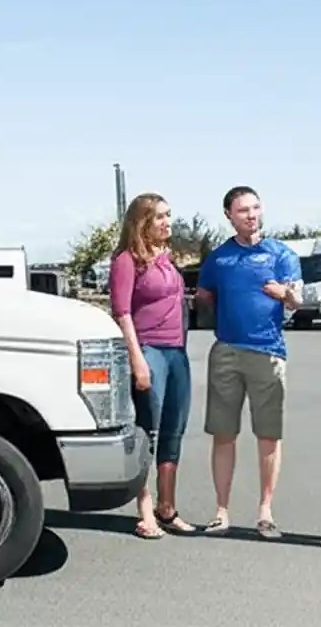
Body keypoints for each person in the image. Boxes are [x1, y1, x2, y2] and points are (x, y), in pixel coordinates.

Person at [193, 186, 302, 539]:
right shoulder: (218, 259)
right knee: (224, 433)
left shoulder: (281, 254)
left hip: (268, 351)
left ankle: (265, 511)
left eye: (255, 208)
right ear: (229, 215)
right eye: (243, 210)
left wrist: (284, 294)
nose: (251, 215)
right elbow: (204, 297)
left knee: (268, 435)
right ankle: (221, 511)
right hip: (226, 351)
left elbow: (298, 300)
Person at [108, 193, 196, 539]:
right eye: (159, 216)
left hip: (176, 351)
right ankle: (145, 509)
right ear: (142, 221)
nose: (167, 222)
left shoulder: (167, 259)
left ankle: (168, 508)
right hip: (149, 349)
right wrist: (137, 360)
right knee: (150, 430)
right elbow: (122, 312)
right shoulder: (127, 261)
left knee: (175, 428)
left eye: (168, 215)